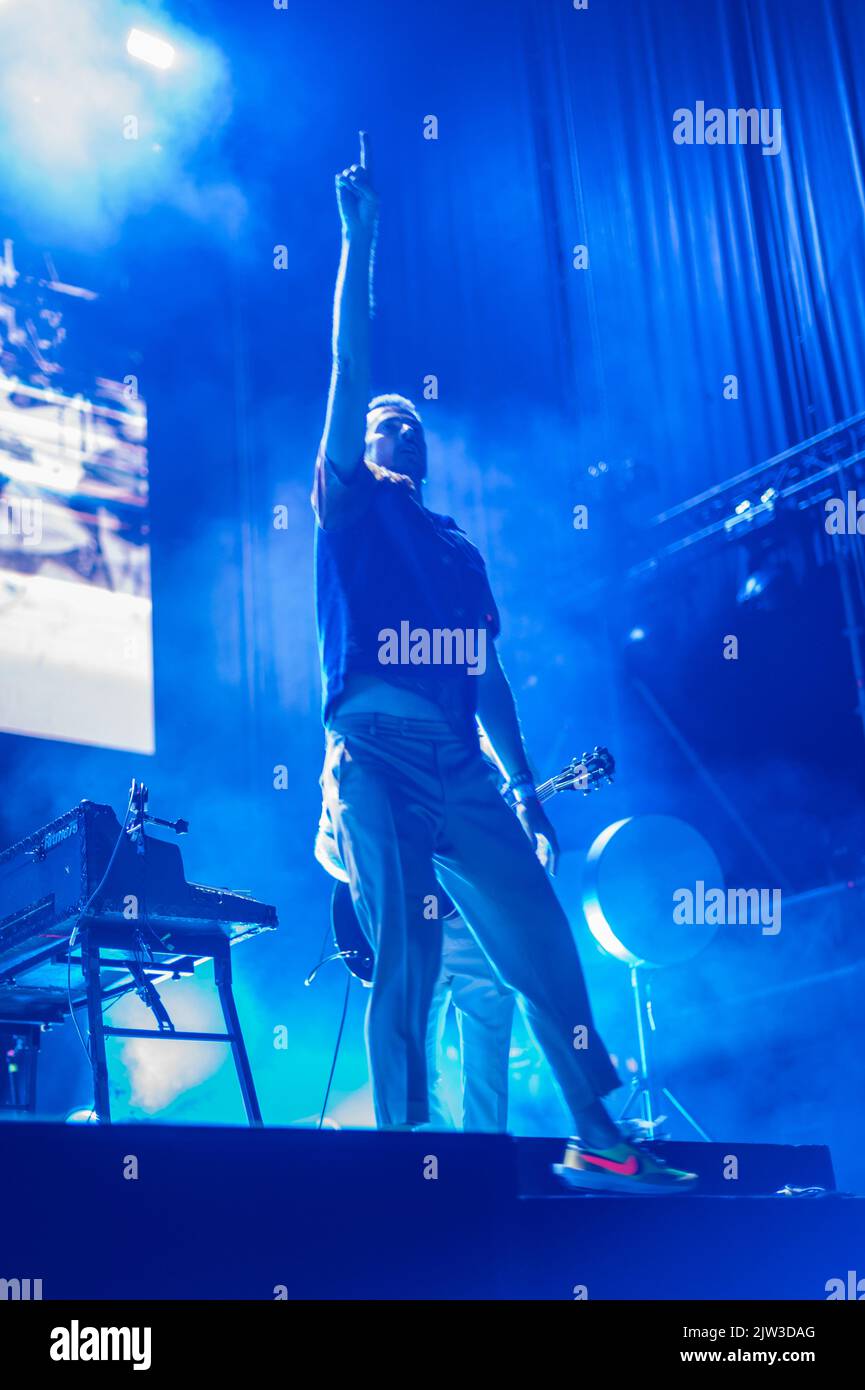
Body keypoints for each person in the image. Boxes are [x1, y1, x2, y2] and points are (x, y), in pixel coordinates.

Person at [312, 133, 696, 1192]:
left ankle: (601, 1135)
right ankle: (405, 1162)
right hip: (374, 753)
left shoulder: (456, 548)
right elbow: (350, 363)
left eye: (412, 424)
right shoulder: (343, 507)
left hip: (462, 766)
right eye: (386, 421)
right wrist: (361, 244)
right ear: (362, 443)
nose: (400, 427)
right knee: (412, 962)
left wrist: (526, 791)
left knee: (540, 939)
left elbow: (488, 680)